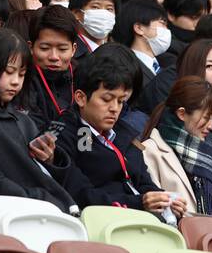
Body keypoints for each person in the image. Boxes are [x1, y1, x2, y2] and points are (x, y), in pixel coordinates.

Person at [0, 29, 76, 210]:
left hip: (50, 207)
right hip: (15, 213)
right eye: (9, 72)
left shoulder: (23, 120)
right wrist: (40, 199)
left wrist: (50, 159)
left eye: (21, 74)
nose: (16, 82)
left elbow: (47, 177)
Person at [52, 44, 167, 211]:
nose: (115, 108)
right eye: (106, 99)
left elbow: (143, 182)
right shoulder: (69, 133)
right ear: (80, 98)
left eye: (121, 101)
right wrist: (139, 203)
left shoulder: (122, 131)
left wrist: (164, 200)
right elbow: (82, 194)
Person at [137, 75, 212, 218]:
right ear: (182, 113)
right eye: (206, 117)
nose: (211, 126)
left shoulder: (207, 152)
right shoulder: (149, 150)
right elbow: (154, 209)